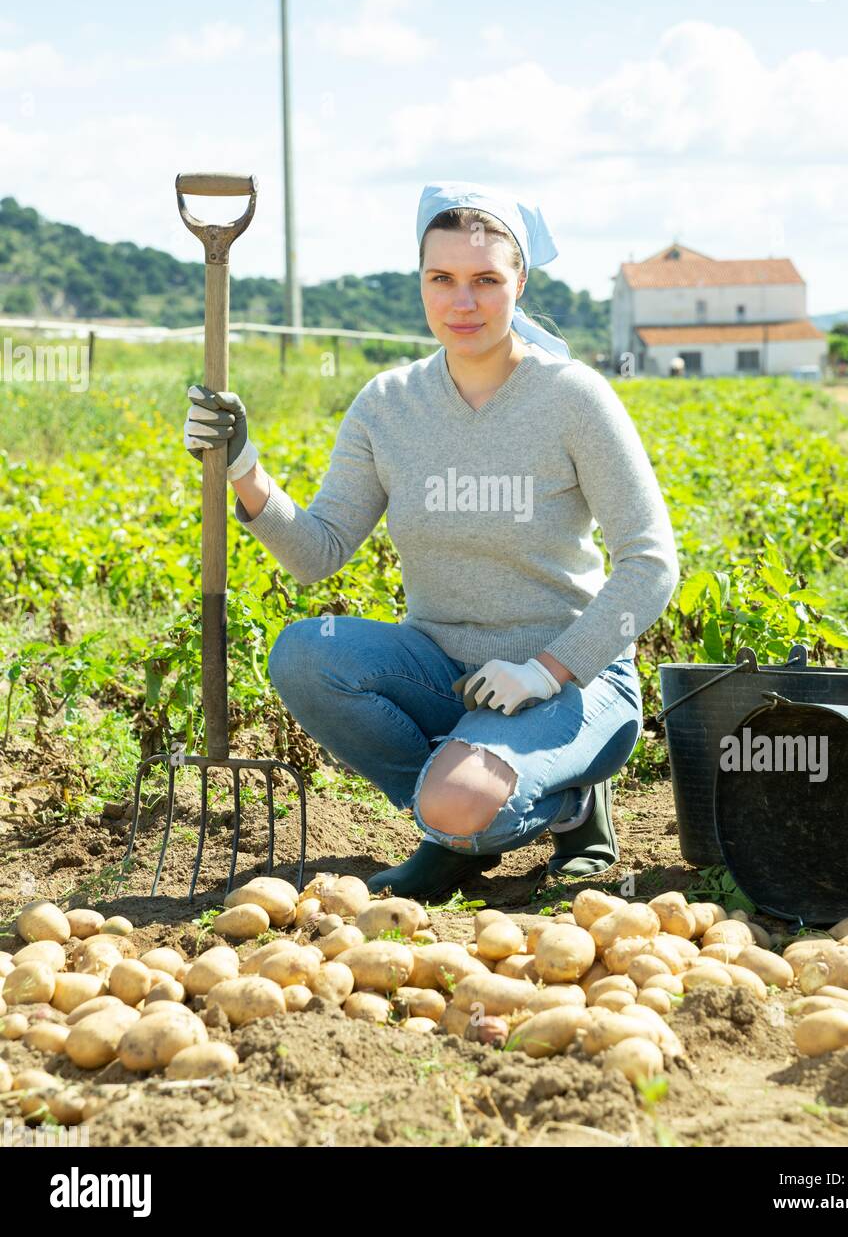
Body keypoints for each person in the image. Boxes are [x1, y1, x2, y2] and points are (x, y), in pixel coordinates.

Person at [182, 179, 680, 900]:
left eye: (485, 280)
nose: (462, 301)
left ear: (520, 284)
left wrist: (547, 669)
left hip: (574, 680)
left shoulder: (572, 398)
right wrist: (245, 469)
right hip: (449, 674)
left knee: (458, 802)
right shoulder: (389, 404)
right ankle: (466, 813)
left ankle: (551, 802)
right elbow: (318, 553)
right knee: (304, 656)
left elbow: (652, 563)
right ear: (420, 283)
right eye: (441, 279)